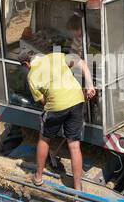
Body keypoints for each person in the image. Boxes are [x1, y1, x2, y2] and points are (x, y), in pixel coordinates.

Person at [16, 43, 96, 190]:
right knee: (74, 145)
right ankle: (78, 188)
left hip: (57, 106)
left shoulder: (32, 76)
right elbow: (81, 62)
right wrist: (90, 85)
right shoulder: (55, 57)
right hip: (77, 99)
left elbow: (43, 101)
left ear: (26, 63)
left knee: (44, 138)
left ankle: (38, 178)